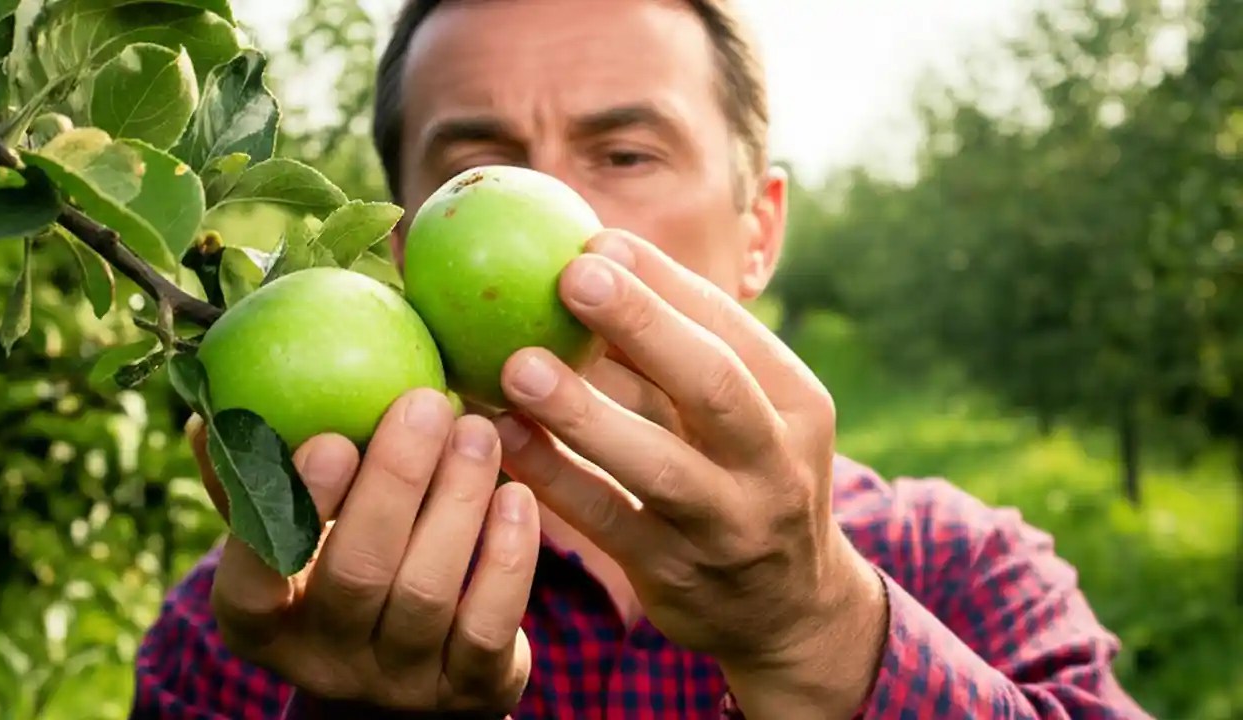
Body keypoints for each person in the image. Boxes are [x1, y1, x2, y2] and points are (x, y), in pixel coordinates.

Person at [130, 1, 1152, 718]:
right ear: (398, 253)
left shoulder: (961, 573)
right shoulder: (271, 625)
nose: (556, 210)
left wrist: (814, 636)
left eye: (624, 154)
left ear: (759, 232)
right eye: (477, 171)